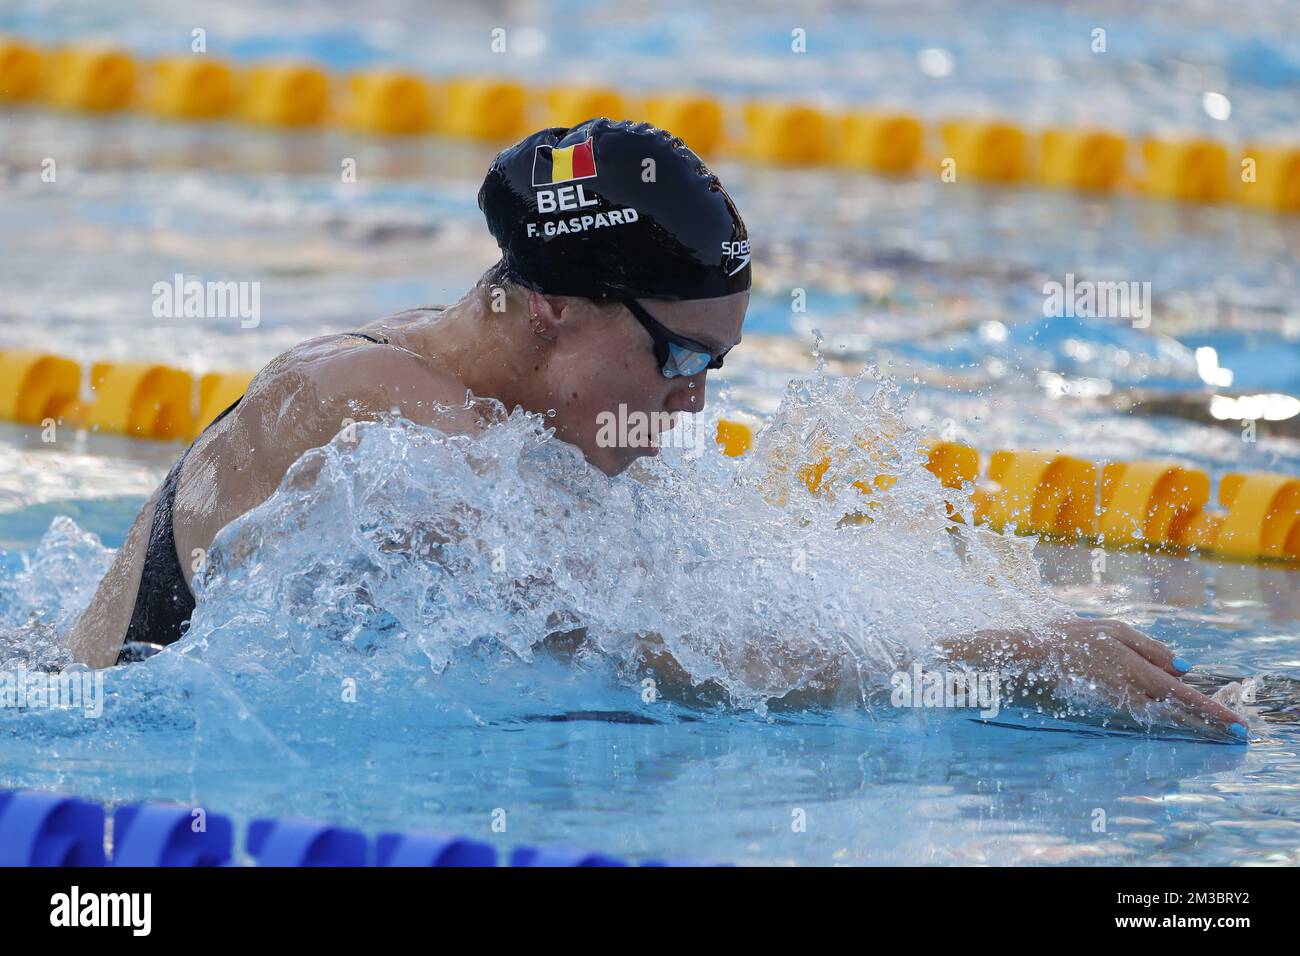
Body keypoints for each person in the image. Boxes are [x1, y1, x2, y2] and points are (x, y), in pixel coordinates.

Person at [63, 118, 1247, 741]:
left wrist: (1026, 627)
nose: (690, 401)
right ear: (553, 306)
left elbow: (714, 603)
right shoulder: (380, 410)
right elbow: (669, 656)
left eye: (714, 364)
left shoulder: (507, 397)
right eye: (678, 355)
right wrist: (994, 662)